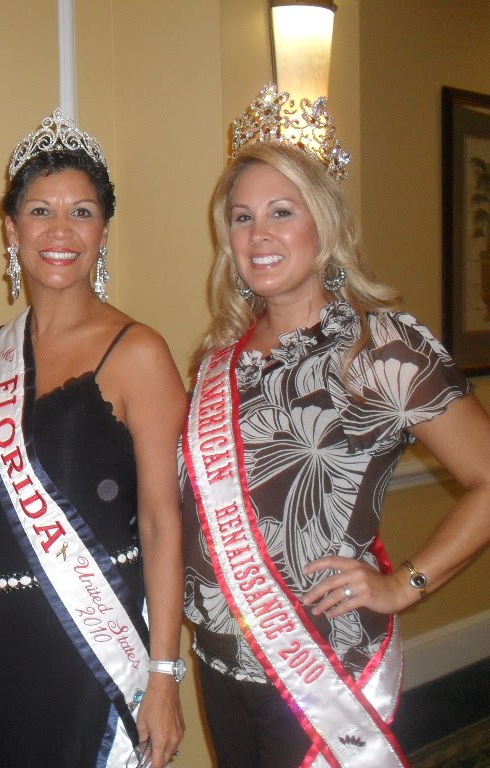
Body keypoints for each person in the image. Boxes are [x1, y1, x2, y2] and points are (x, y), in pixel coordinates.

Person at [181, 83, 490, 768]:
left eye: (281, 213)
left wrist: (403, 583)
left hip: (323, 668)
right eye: (241, 217)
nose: (259, 236)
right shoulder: (216, 359)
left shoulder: (380, 349)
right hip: (219, 660)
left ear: (322, 225)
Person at [0, 110, 187, 768]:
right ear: (11, 227)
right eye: (40, 211)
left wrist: (165, 675)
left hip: (97, 641)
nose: (61, 231)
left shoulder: (136, 351)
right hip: (7, 638)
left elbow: (163, 524)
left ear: (104, 230)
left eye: (82, 212)